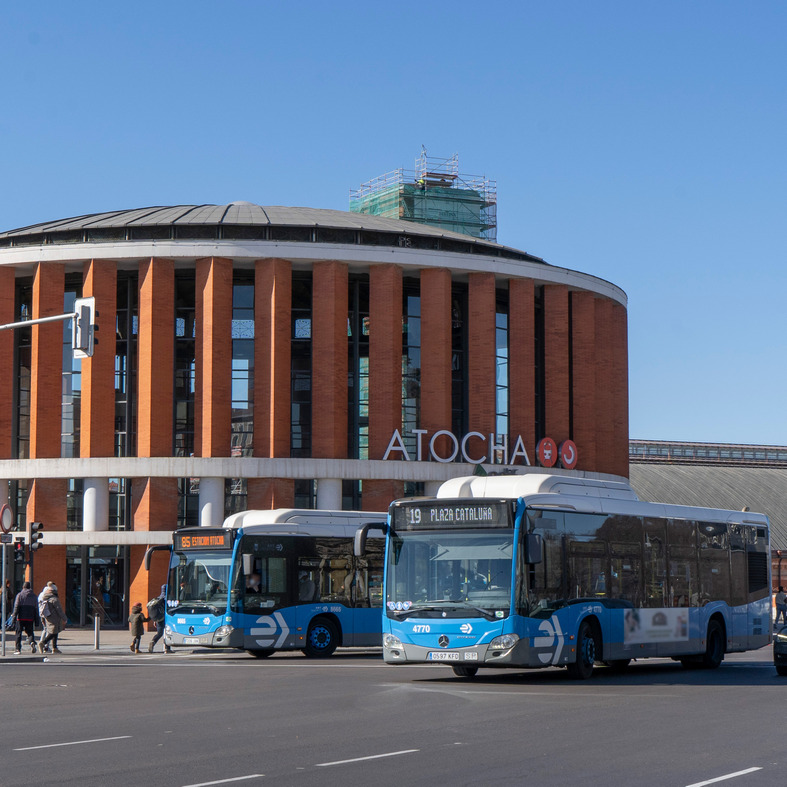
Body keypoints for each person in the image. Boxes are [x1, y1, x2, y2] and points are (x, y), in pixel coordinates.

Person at [11, 581, 39, 654]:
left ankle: (18, 649)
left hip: (21, 617)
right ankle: (32, 642)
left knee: (18, 633)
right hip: (30, 617)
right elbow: (36, 609)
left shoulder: (20, 595)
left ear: (23, 587)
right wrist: (36, 621)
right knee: (30, 632)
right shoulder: (34, 596)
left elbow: (16, 607)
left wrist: (13, 618)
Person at [39, 584, 67, 654]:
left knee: (55, 631)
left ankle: (55, 648)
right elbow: (59, 610)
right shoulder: (54, 599)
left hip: (47, 616)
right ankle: (43, 642)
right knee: (53, 632)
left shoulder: (45, 597)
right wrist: (64, 618)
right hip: (55, 618)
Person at [147, 586, 171, 653]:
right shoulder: (167, 599)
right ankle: (167, 648)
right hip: (166, 618)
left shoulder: (158, 598)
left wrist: (155, 620)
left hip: (158, 619)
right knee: (167, 633)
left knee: (159, 633)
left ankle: (153, 641)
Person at [38, 581, 56, 653]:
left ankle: (42, 643)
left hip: (42, 613)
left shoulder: (42, 593)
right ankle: (45, 645)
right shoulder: (49, 594)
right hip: (48, 614)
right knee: (49, 630)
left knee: (45, 629)